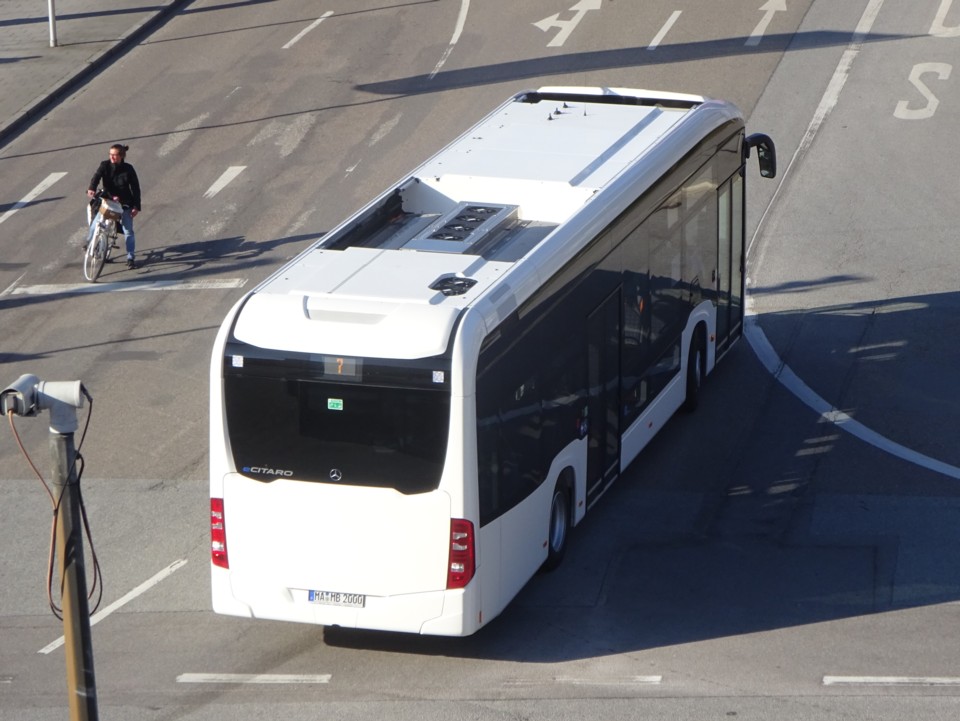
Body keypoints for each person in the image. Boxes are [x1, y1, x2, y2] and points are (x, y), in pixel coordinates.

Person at [87, 143, 141, 268]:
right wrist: (92, 188)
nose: (112, 157)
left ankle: (130, 257)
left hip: (124, 203)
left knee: (128, 231)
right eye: (110, 154)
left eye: (115, 155)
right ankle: (89, 243)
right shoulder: (104, 165)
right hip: (108, 199)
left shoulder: (128, 169)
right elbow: (96, 176)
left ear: (121, 156)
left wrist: (136, 206)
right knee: (96, 222)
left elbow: (135, 188)